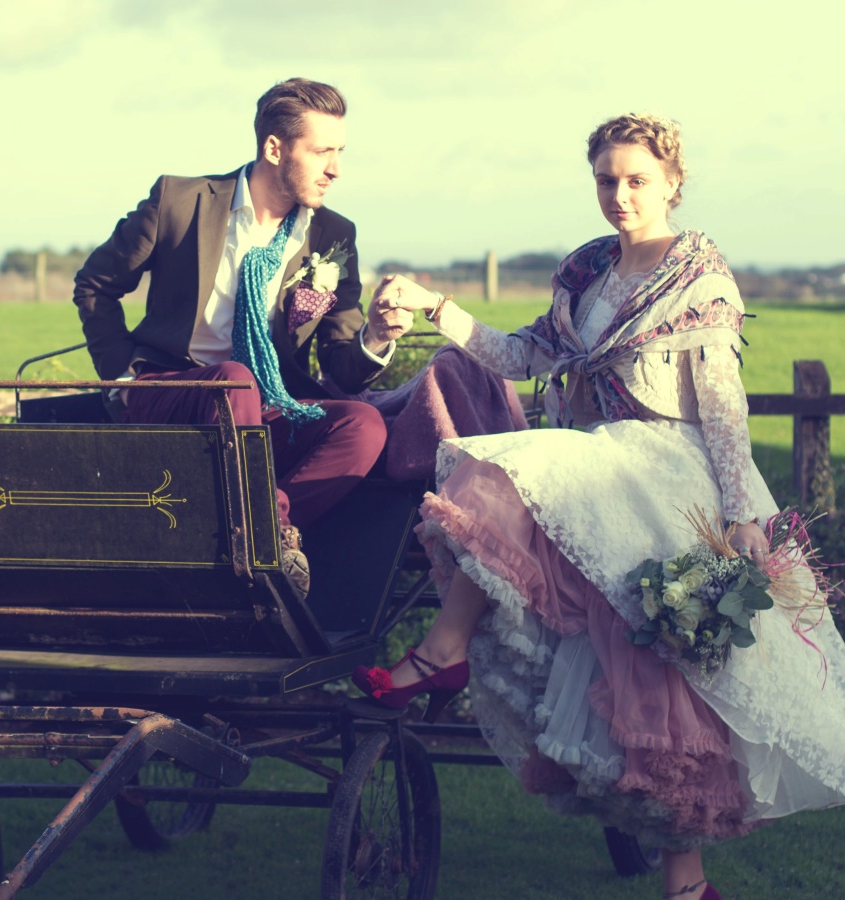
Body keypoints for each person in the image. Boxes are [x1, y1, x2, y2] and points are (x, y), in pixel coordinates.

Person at [363, 113, 845, 900]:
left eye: (636, 181)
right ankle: (447, 655)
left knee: (675, 675)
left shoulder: (699, 276)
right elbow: (523, 356)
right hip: (597, 462)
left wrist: (741, 513)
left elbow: (721, 406)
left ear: (673, 184)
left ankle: (444, 655)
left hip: (672, 465)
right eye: (605, 180)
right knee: (628, 676)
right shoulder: (585, 271)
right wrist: (434, 306)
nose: (619, 196)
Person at [72, 78, 404, 595]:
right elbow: (95, 284)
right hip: (174, 390)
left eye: (339, 152)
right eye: (321, 152)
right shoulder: (180, 201)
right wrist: (120, 375)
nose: (336, 168)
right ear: (275, 148)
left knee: (363, 424)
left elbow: (340, 364)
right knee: (233, 377)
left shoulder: (333, 235)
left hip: (270, 403)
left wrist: (377, 336)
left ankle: (263, 534)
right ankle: (266, 538)